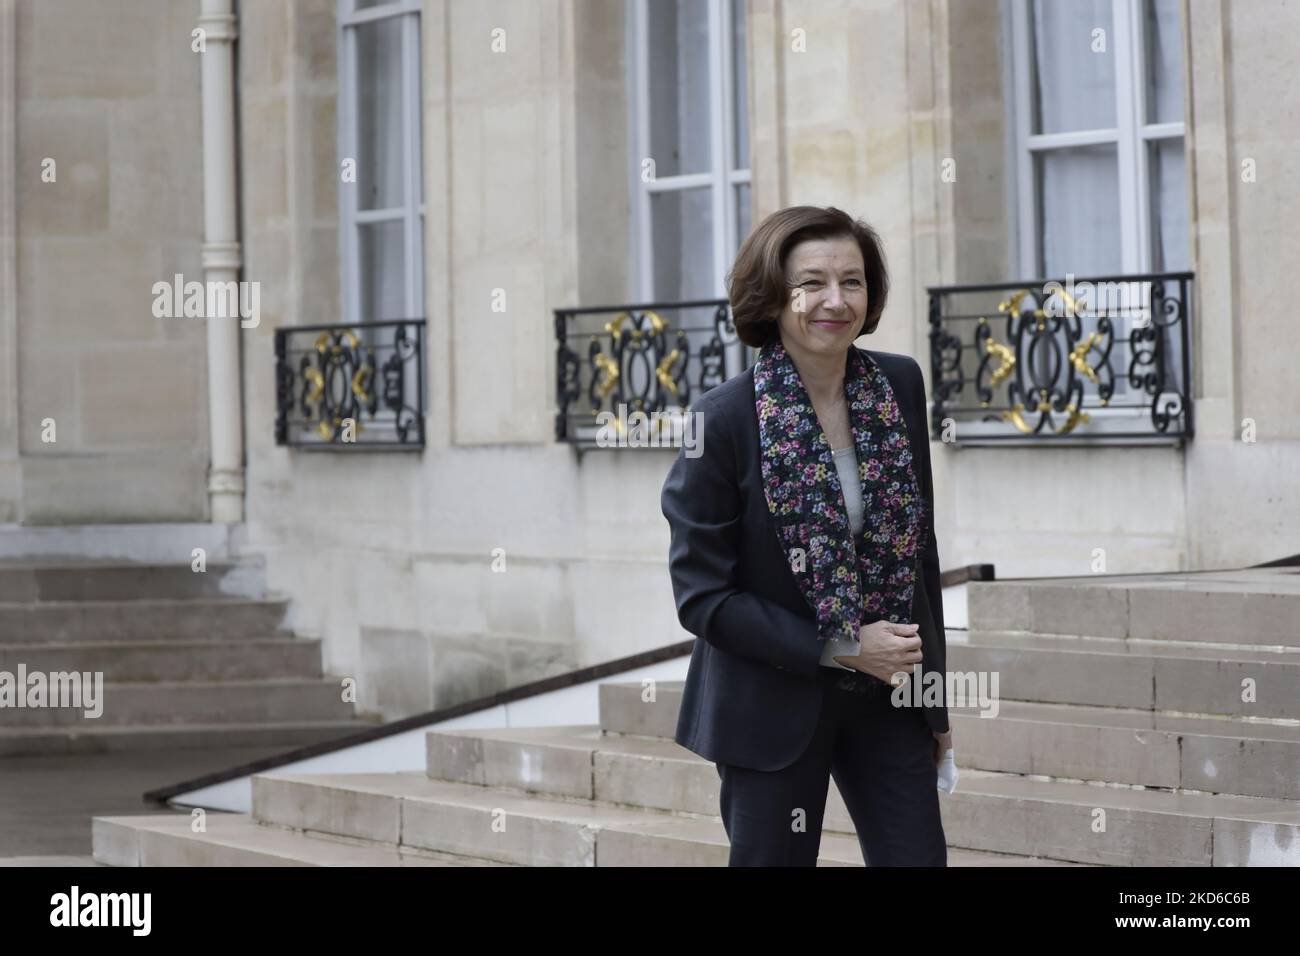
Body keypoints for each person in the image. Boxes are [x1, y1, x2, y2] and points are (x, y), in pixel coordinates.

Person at [659, 205, 951, 866]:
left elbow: (919, 556)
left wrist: (936, 702)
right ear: (773, 296)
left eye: (852, 282)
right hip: (769, 705)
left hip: (888, 700)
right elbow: (703, 597)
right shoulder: (723, 419)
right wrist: (844, 648)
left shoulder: (898, 384)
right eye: (812, 283)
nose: (835, 300)